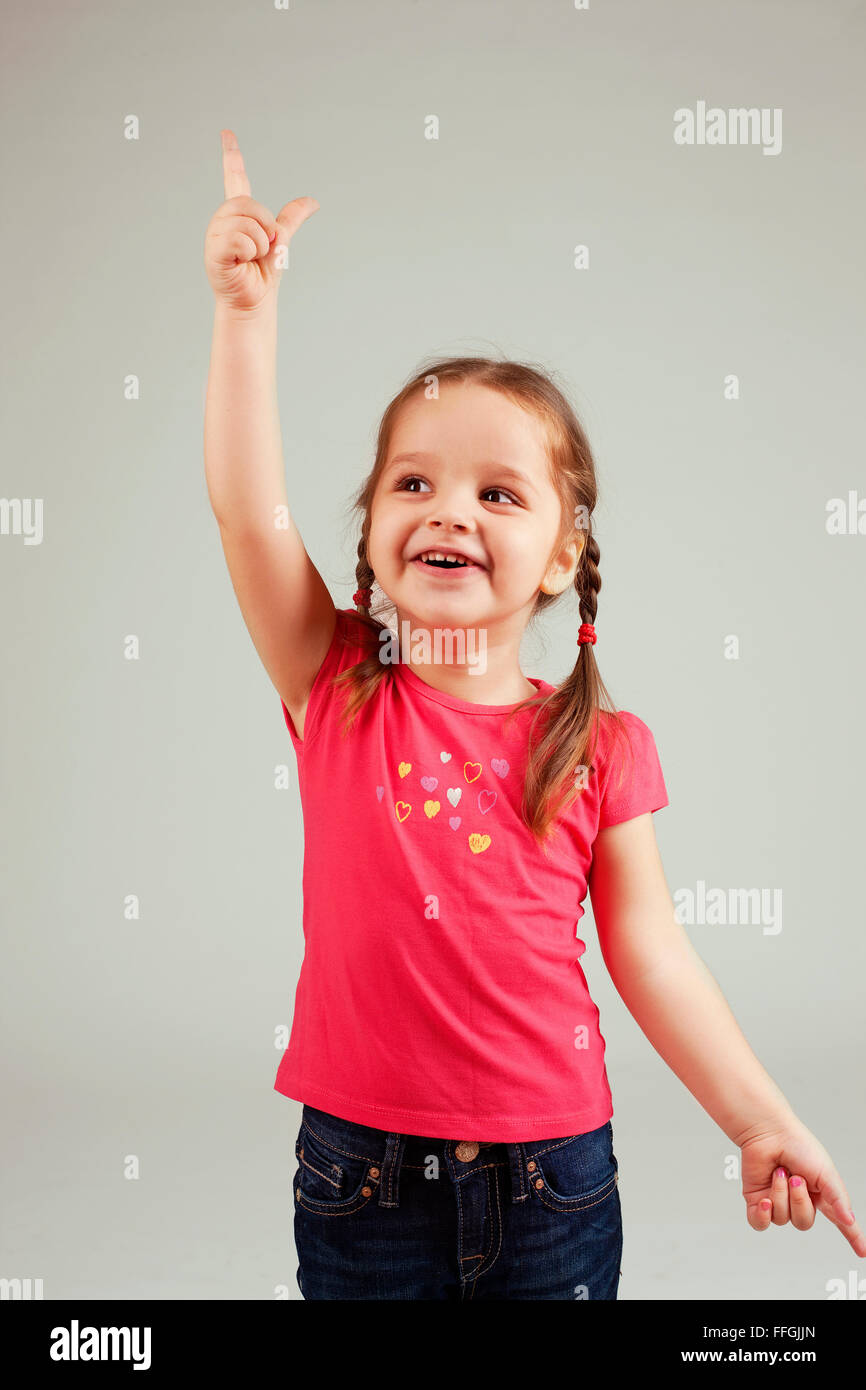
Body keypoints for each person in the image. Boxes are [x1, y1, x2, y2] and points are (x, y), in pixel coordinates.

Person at [203, 129, 864, 1300]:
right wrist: (244, 318)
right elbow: (249, 512)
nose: (446, 509)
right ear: (366, 533)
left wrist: (761, 1119)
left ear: (561, 555)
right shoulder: (335, 680)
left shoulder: (601, 744)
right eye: (412, 481)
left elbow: (649, 952)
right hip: (360, 1176)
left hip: (552, 1181)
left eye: (496, 491)